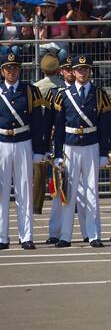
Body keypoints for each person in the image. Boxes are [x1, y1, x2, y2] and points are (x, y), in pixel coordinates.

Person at [51, 55, 111, 247]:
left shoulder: (99, 94)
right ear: (73, 71)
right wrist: (58, 153)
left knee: (92, 191)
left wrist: (104, 152)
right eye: (79, 69)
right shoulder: (63, 94)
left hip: (92, 145)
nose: (82, 72)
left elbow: (104, 126)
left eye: (86, 69)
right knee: (69, 192)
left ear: (90, 71)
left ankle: (94, 235)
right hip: (70, 145)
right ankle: (65, 236)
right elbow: (59, 127)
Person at [0, 47, 48, 249]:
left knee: (24, 191)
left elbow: (39, 123)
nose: (12, 71)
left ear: (20, 70)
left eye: (15, 68)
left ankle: (26, 236)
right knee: (1, 191)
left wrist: (39, 150)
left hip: (23, 142)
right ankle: (2, 237)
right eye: (8, 68)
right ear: (2, 71)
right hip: (2, 142)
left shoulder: (30, 91)